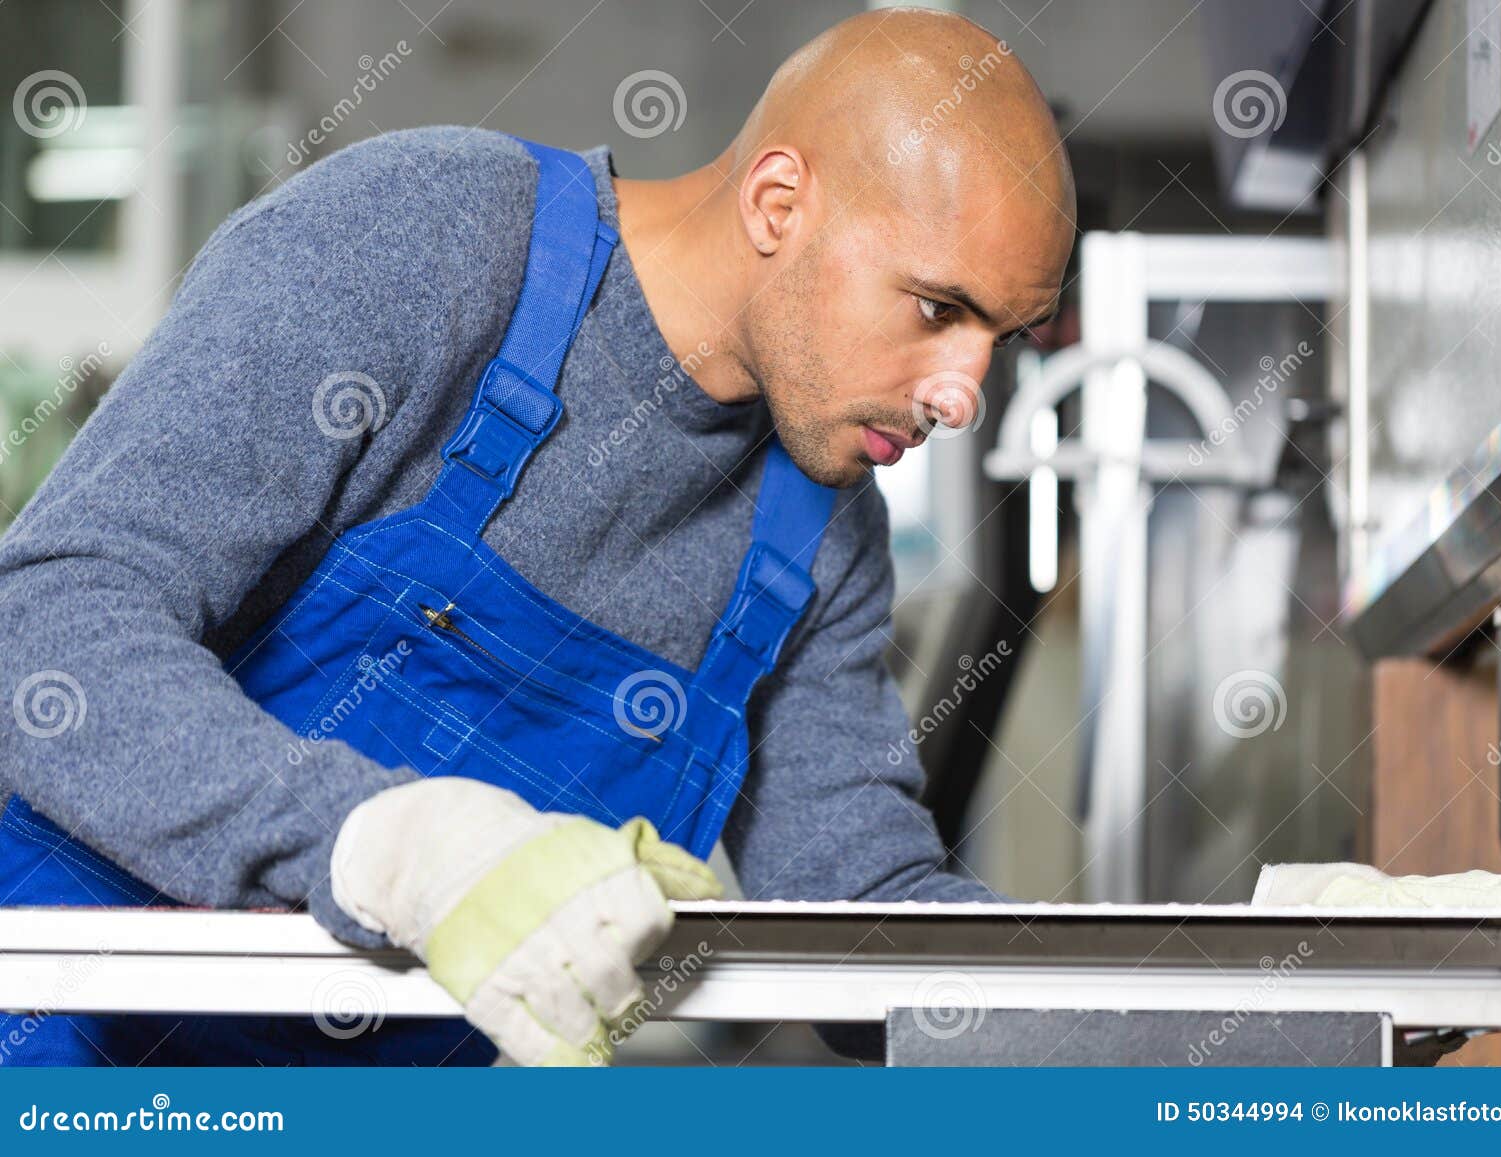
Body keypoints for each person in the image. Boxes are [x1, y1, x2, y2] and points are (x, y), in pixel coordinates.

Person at [0, 7, 1074, 1065]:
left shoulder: (821, 531)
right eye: (939, 309)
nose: (964, 393)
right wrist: (396, 851)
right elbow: (49, 622)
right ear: (778, 202)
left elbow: (861, 903)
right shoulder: (428, 239)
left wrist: (1151, 1000)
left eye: (1003, 336)